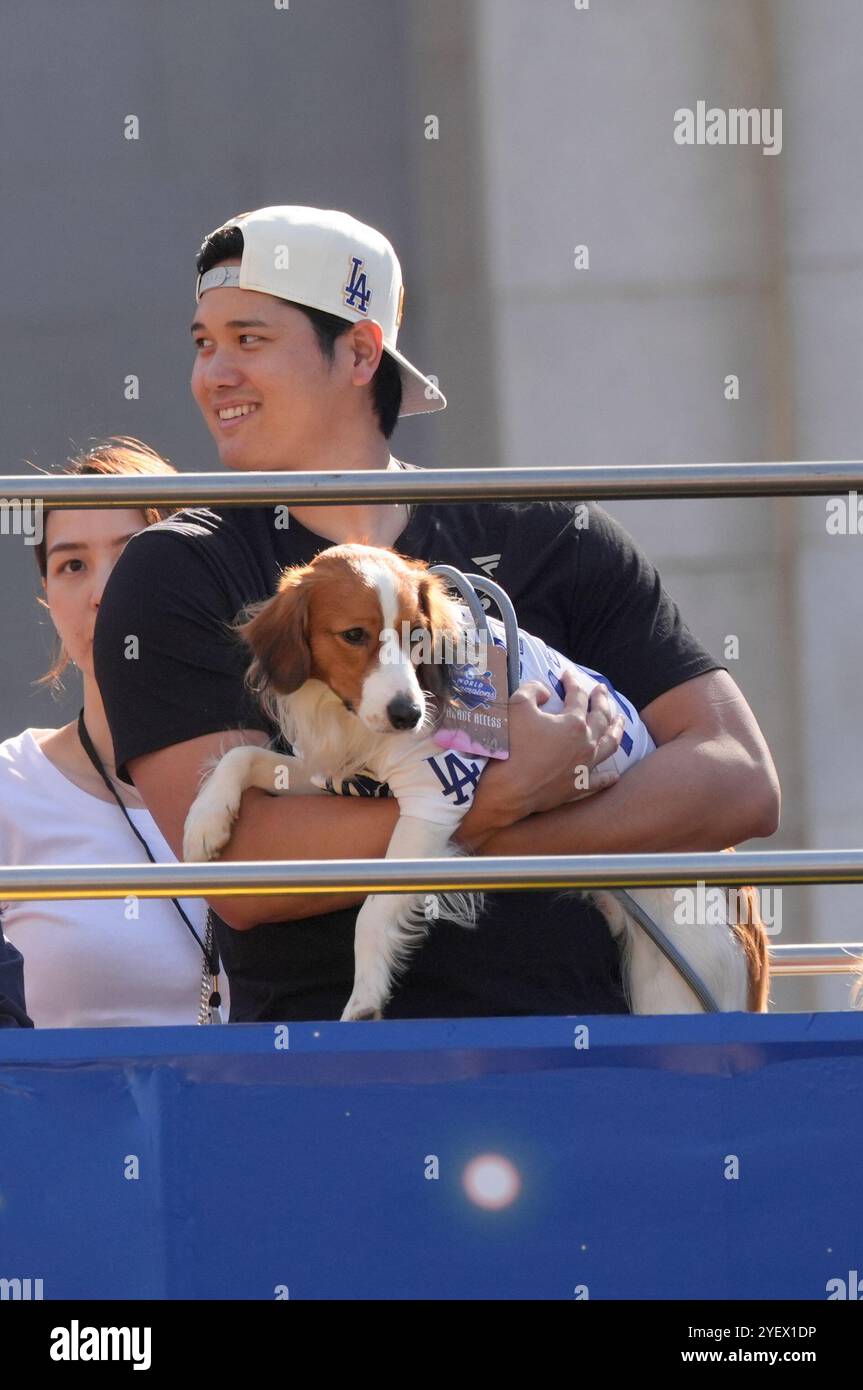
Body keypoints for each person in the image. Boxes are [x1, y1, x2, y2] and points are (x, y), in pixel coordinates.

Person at [94, 205, 781, 1023]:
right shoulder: (178, 567)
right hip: (326, 1077)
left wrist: (468, 823)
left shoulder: (548, 529)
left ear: (359, 351)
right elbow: (242, 872)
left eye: (250, 340)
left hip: (590, 1062)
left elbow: (738, 777)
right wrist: (492, 799)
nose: (215, 375)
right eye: (204, 344)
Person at [0, 438, 227, 1027]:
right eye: (72, 565)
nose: (104, 592)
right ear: (47, 597)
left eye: (133, 559)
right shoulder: (11, 786)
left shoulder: (288, 772)